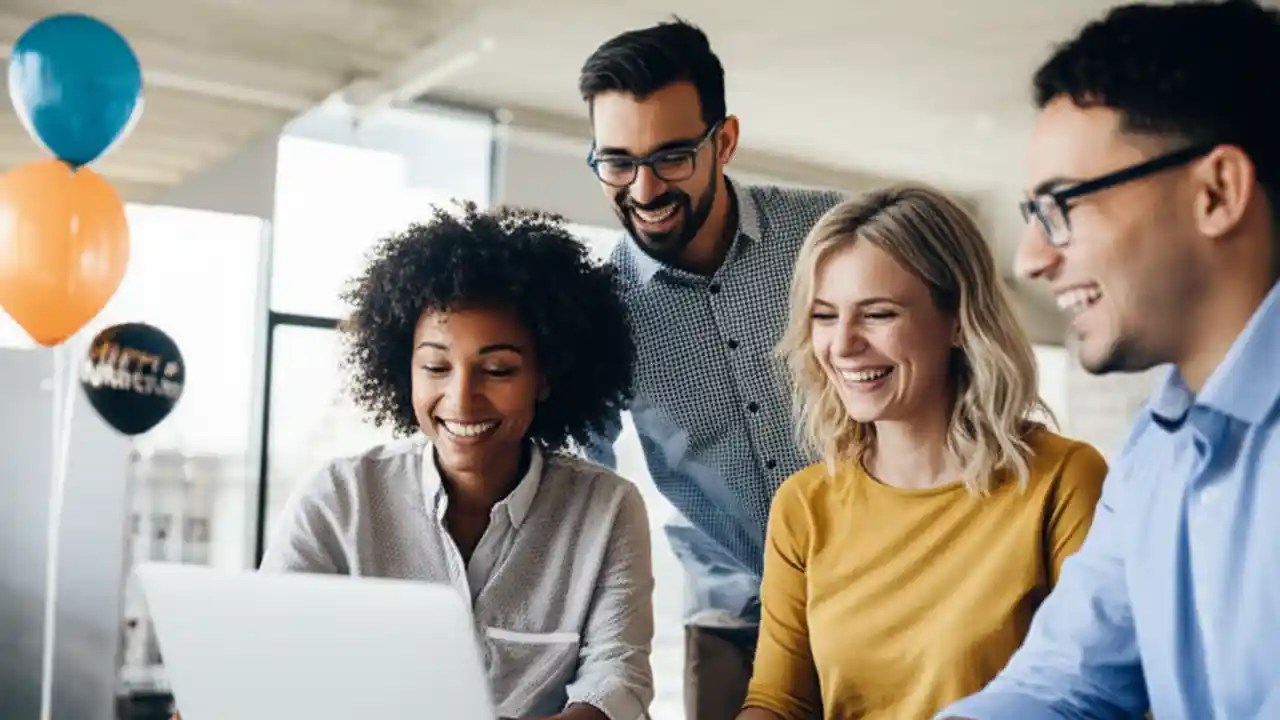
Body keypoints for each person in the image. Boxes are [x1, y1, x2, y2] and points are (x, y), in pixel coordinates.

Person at [940, 2, 1280, 719]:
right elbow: (1069, 684)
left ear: (1216, 192)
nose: (1030, 259)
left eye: (1061, 205)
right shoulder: (1156, 453)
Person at [259, 204, 655, 720]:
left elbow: (617, 677)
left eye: (497, 369)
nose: (462, 399)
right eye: (436, 366)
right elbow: (271, 654)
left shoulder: (606, 508)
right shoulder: (338, 500)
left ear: (546, 377)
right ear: (406, 369)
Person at [727, 185, 1107, 720]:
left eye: (877, 314)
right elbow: (780, 703)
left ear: (957, 320)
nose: (843, 344)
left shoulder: (1062, 481)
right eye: (824, 316)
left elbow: (1098, 695)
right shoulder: (804, 505)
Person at [577, 18, 843, 718]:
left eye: (670, 157)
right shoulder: (598, 312)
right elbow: (580, 478)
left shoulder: (828, 239)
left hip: (871, 583)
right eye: (617, 162)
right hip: (733, 617)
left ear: (723, 141)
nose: (643, 188)